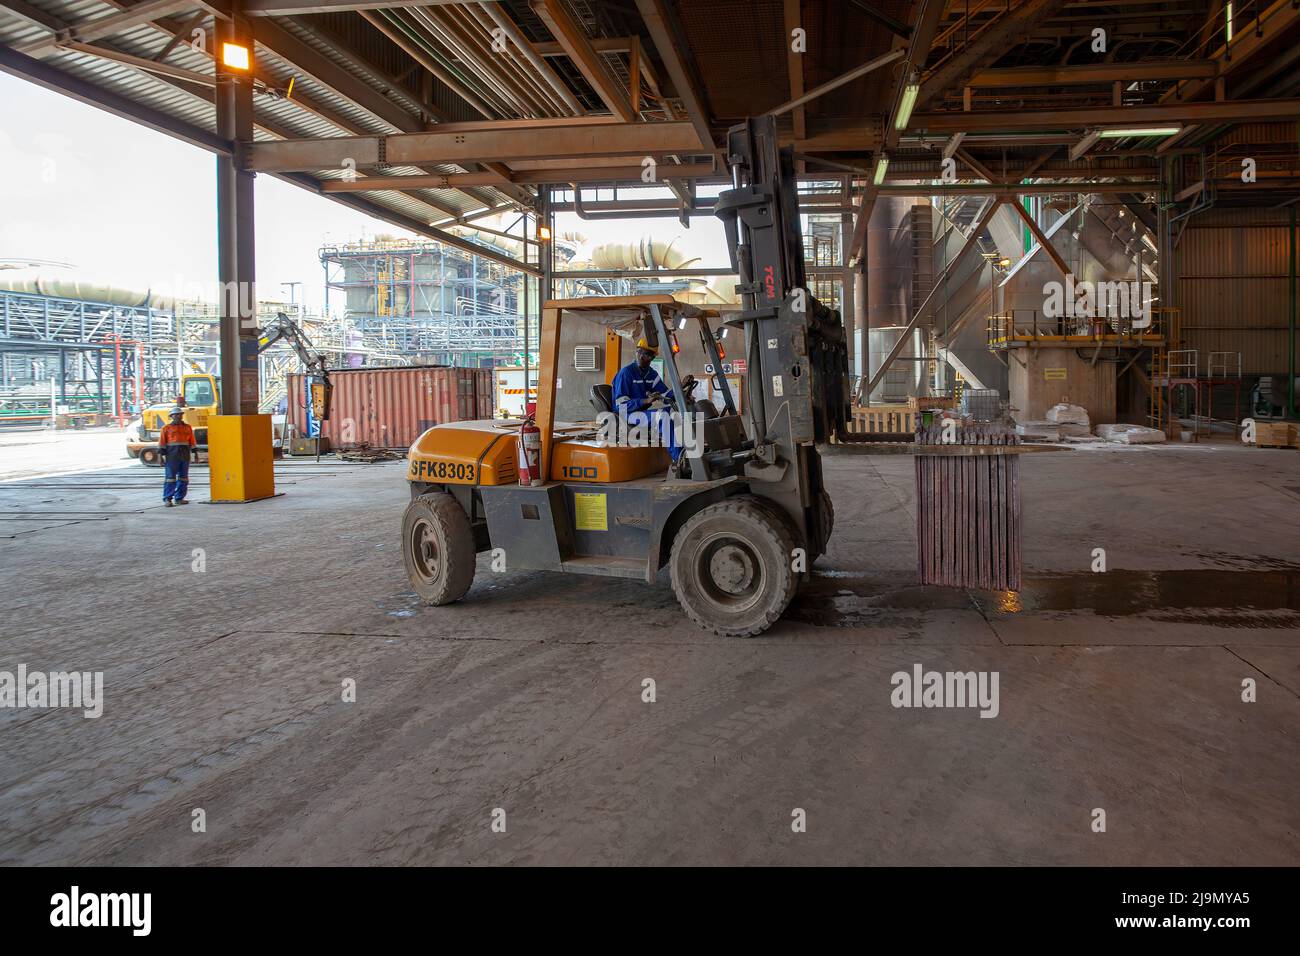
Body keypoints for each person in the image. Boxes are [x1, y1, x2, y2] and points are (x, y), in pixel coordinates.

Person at [610, 338, 694, 462]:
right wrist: (645, 401)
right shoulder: (626, 373)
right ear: (638, 352)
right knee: (662, 417)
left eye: (652, 356)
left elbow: (666, 396)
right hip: (628, 414)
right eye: (648, 354)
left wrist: (681, 388)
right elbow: (620, 405)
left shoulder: (651, 373)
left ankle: (688, 450)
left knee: (673, 411)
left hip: (643, 413)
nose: (650, 359)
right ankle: (679, 459)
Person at [158, 407, 196, 506]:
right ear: (172, 416)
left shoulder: (187, 427)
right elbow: (162, 443)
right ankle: (168, 498)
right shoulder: (166, 428)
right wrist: (160, 457)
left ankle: (179, 498)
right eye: (176, 415)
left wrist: (195, 454)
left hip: (184, 454)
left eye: (180, 414)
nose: (178, 416)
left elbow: (192, 441)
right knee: (170, 478)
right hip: (172, 455)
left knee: (183, 478)